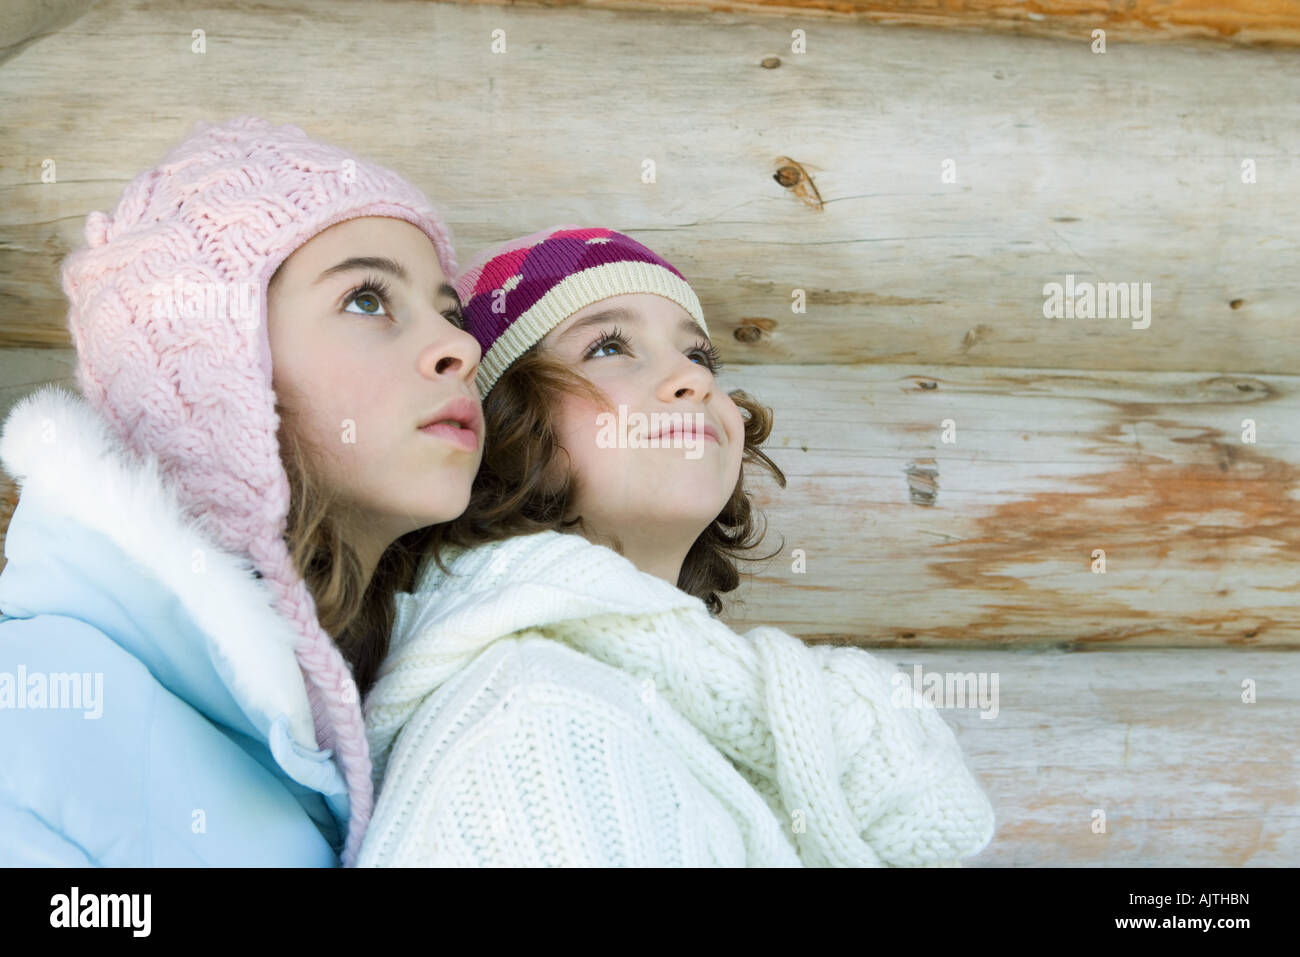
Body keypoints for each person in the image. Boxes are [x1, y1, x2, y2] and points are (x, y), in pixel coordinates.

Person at [359, 226, 996, 866]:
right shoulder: (532, 716)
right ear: (505, 426)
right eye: (609, 347)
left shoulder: (708, 709)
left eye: (700, 357)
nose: (687, 380)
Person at [0, 115, 483, 866]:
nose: (461, 345)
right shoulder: (33, 709)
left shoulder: (396, 707)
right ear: (217, 365)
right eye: (367, 299)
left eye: (449, 313)